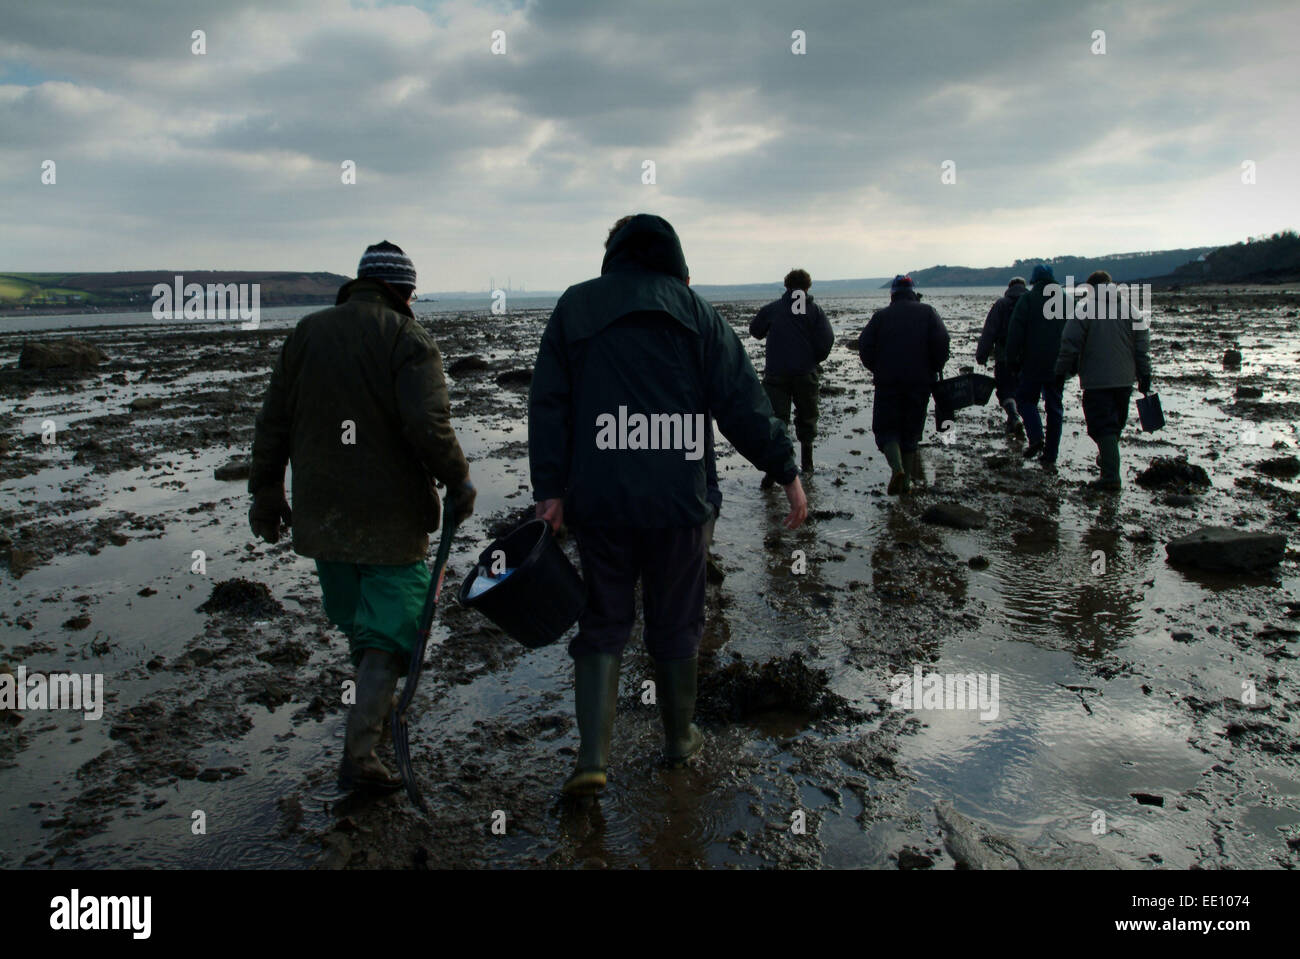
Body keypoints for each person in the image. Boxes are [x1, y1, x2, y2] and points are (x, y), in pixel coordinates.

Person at [528, 213, 807, 797]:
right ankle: (680, 743)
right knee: (677, 619)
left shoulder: (575, 307)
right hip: (680, 502)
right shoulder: (698, 313)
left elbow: (549, 405)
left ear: (615, 254)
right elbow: (743, 404)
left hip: (599, 500)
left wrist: (549, 492)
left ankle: (592, 760)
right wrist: (786, 471)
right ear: (674, 257)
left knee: (602, 622)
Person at [248, 240, 476, 793]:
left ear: (359, 284)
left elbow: (273, 419)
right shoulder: (406, 337)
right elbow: (428, 423)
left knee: (363, 625)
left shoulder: (306, 333)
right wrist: (459, 477)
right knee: (393, 633)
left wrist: (267, 492)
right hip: (389, 517)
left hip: (324, 517)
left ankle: (371, 719)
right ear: (403, 292)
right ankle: (361, 755)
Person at [1054, 270, 1153, 491]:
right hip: (1124, 380)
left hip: (1097, 381)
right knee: (1114, 426)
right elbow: (1142, 345)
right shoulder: (1131, 310)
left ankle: (1110, 476)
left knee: (1102, 427)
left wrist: (1060, 373)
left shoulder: (1085, 310)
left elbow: (1069, 344)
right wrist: (1144, 374)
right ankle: (1108, 461)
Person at [857, 275, 949, 495]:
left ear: (893, 294)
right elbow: (942, 342)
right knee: (911, 433)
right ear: (913, 292)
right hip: (920, 382)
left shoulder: (881, 317)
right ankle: (905, 482)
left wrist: (876, 368)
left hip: (888, 382)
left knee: (885, 430)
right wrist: (934, 367)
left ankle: (896, 468)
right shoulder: (928, 313)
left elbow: (864, 345)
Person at [750, 268, 834, 480]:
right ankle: (807, 466)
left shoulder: (774, 309)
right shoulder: (815, 311)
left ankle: (776, 468)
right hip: (805, 373)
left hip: (777, 373)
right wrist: (814, 358)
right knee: (807, 418)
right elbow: (827, 340)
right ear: (807, 287)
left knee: (777, 421)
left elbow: (755, 330)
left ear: (787, 286)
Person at [1006, 264, 1067, 470]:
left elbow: (1015, 332)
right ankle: (1050, 455)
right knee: (1055, 408)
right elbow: (1077, 332)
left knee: (1024, 399)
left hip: (1032, 362)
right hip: (1059, 363)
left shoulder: (1028, 300)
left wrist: (1011, 359)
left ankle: (1036, 436)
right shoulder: (1067, 300)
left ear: (1034, 280)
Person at [976, 276, 1028, 433]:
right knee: (1023, 390)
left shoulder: (1001, 304)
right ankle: (1016, 419)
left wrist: (982, 355)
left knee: (1005, 389)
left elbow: (989, 331)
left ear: (1009, 287)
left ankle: (1013, 416)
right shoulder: (1030, 304)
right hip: (1027, 357)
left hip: (1004, 355)